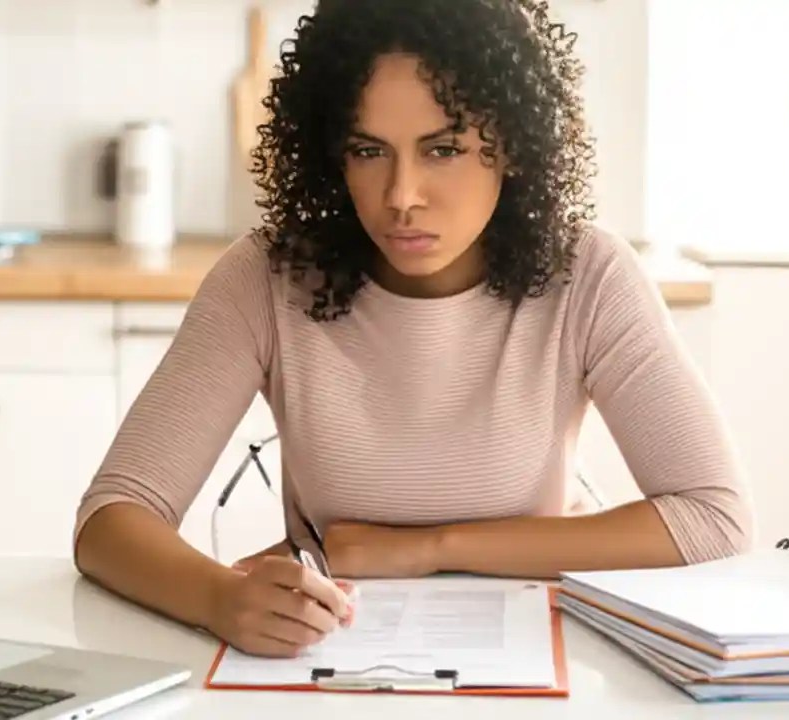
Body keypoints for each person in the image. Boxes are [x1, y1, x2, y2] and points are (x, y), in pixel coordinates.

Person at [73, 0, 754, 659]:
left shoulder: (589, 276)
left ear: (512, 145)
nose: (401, 195)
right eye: (369, 150)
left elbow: (713, 519)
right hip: (332, 664)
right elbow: (112, 518)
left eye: (443, 149)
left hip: (537, 663)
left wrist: (427, 548)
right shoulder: (267, 277)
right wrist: (220, 599)